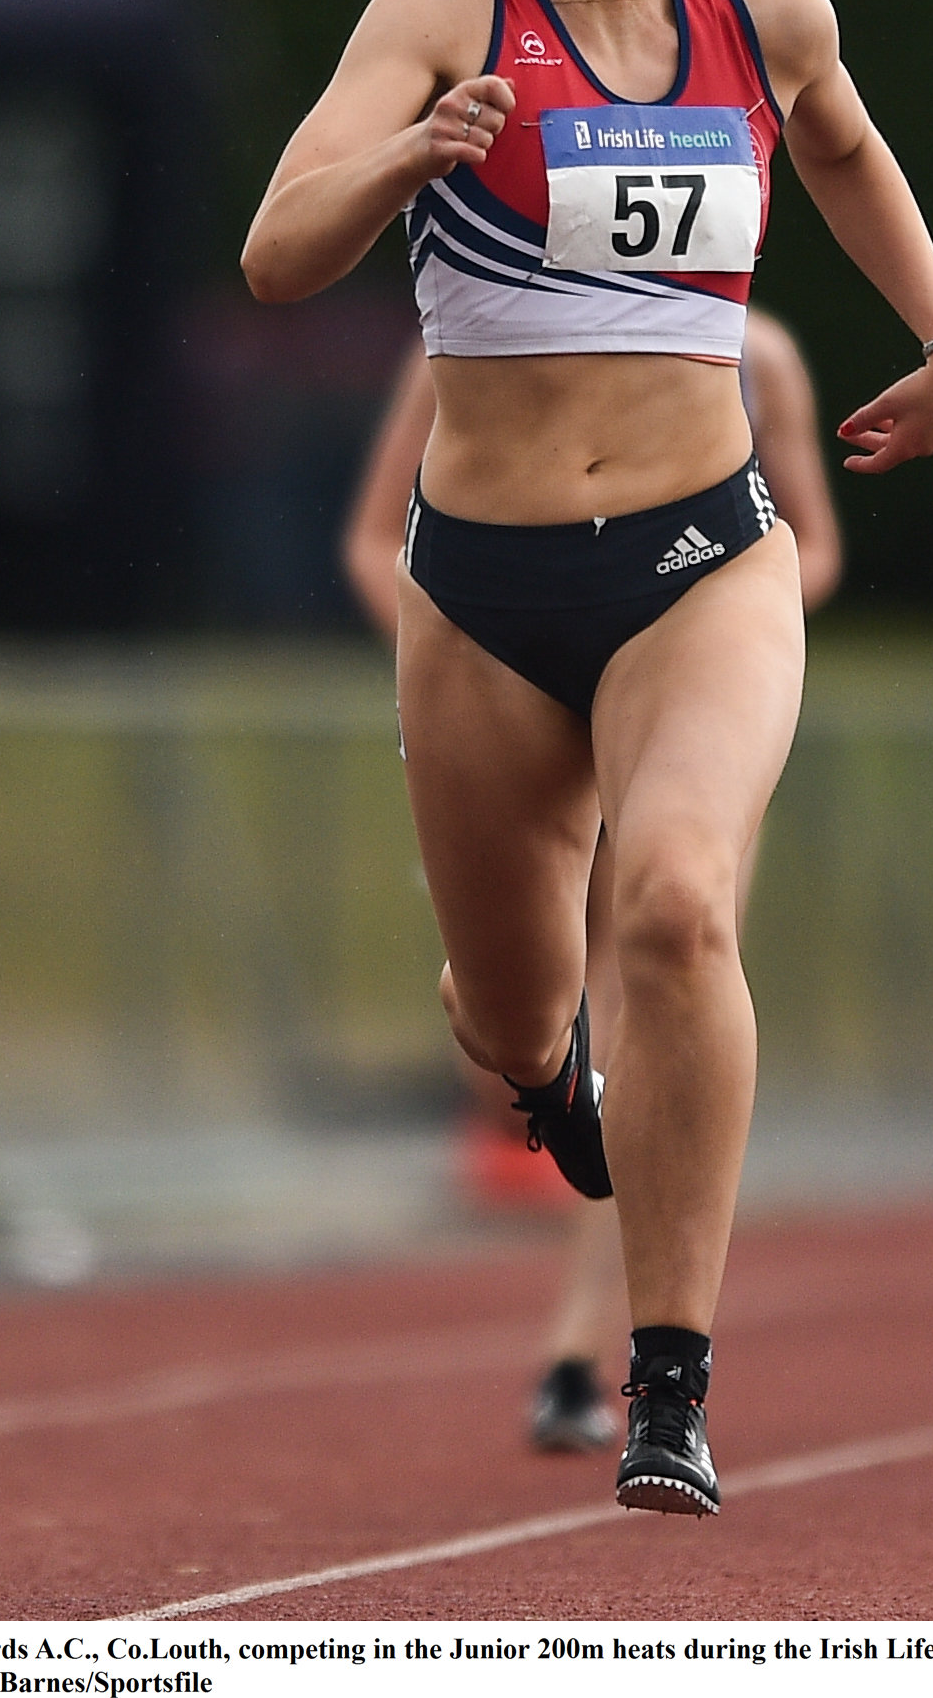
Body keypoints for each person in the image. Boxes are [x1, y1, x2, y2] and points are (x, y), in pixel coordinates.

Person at [245, 0, 933, 1515]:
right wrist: (410, 154)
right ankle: (538, 1060)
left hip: (696, 559)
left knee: (672, 906)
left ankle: (667, 1377)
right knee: (510, 1017)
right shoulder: (440, 15)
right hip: (482, 588)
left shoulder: (766, 18)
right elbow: (273, 253)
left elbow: (840, 147)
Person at [342, 310, 844, 1455]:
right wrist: (451, 648)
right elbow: (377, 540)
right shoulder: (469, 322)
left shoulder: (760, 357)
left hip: (678, 702)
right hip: (506, 680)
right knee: (513, 1029)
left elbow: (808, 543)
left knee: (659, 978)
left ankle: (596, 1351)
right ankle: (547, 1076)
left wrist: (710, 611)